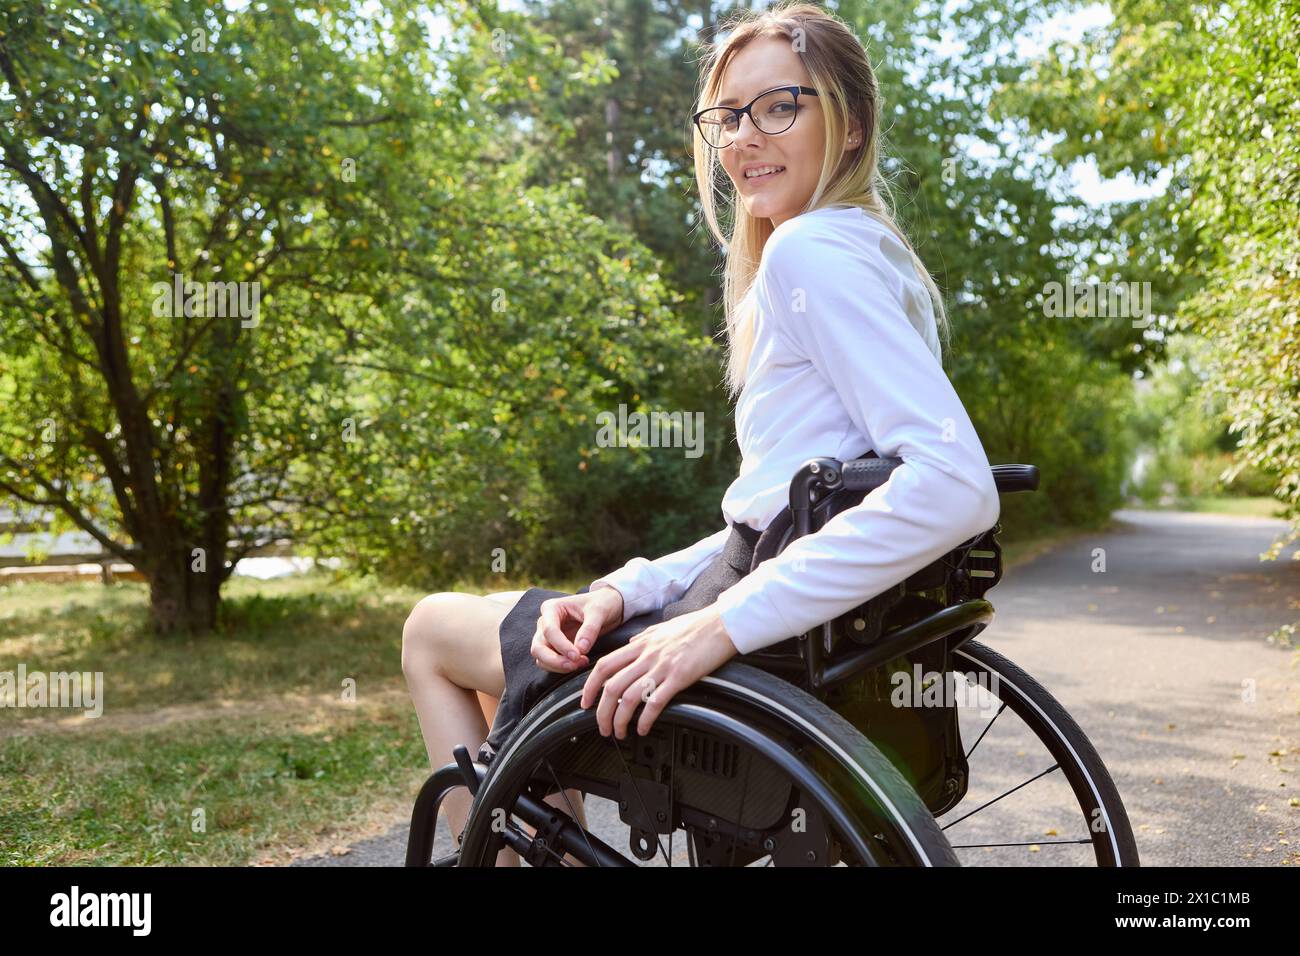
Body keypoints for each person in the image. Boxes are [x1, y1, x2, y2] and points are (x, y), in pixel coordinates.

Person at [401, 1, 1000, 865]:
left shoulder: (808, 254)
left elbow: (953, 484)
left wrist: (716, 627)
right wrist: (623, 589)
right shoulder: (873, 257)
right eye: (727, 116)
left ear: (853, 124)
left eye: (779, 107)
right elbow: (777, 515)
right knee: (533, 648)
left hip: (759, 649)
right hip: (782, 625)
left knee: (430, 630)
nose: (745, 137)